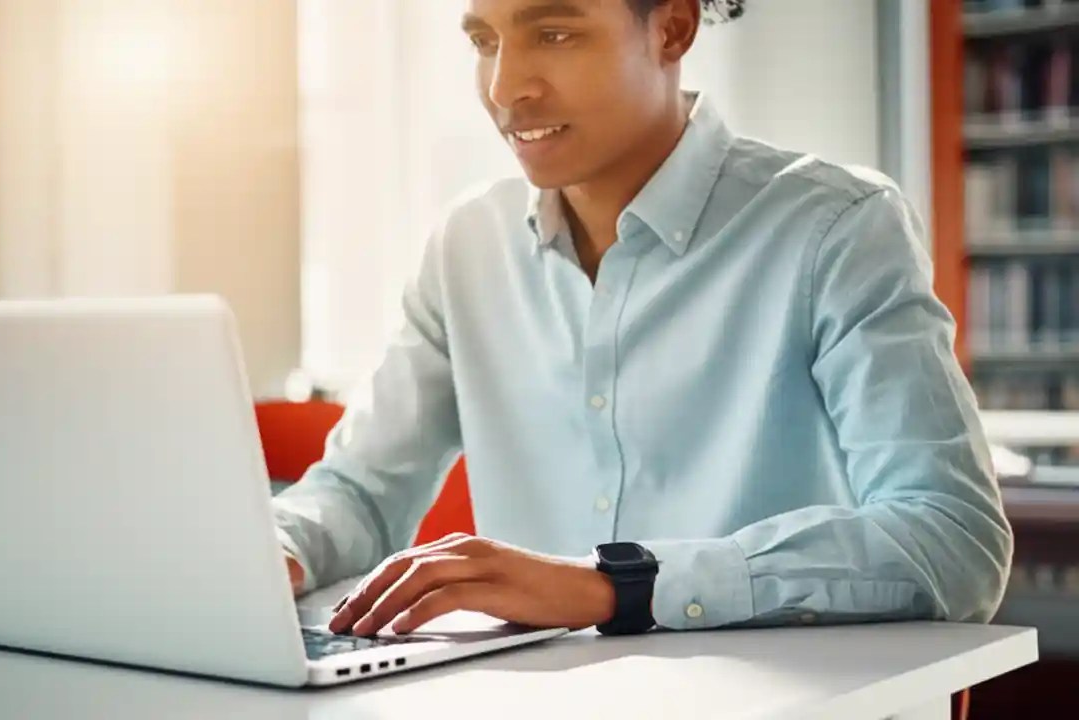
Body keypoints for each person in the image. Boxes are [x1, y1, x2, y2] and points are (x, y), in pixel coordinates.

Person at [273, 0, 1012, 638]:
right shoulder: (466, 246)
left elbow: (952, 539)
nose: (505, 90)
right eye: (483, 41)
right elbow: (362, 492)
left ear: (672, 30)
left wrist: (617, 584)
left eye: (554, 33)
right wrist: (273, 551)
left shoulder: (836, 228)